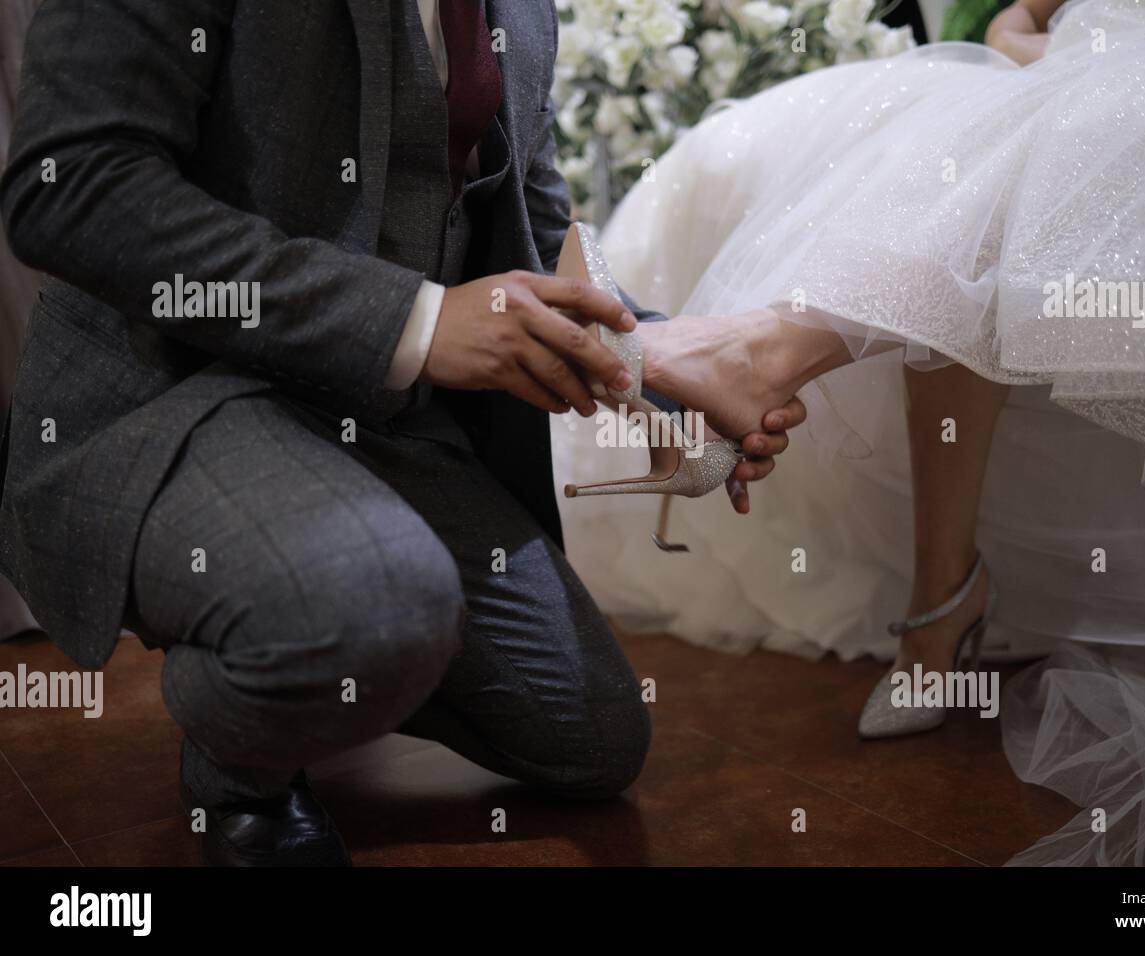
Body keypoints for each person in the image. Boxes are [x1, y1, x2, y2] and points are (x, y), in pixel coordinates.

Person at [0, 0, 801, 867]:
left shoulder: (522, 11)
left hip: (386, 426)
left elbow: (531, 226)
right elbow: (72, 188)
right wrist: (416, 323)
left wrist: (659, 363)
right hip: (176, 389)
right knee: (379, 602)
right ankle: (248, 758)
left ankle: (329, 626)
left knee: (594, 738)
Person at [552, 0, 1145, 859]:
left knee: (1084, 134)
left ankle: (754, 366)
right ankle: (778, 398)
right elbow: (1013, 18)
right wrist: (1074, 48)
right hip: (1093, 71)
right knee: (1008, 138)